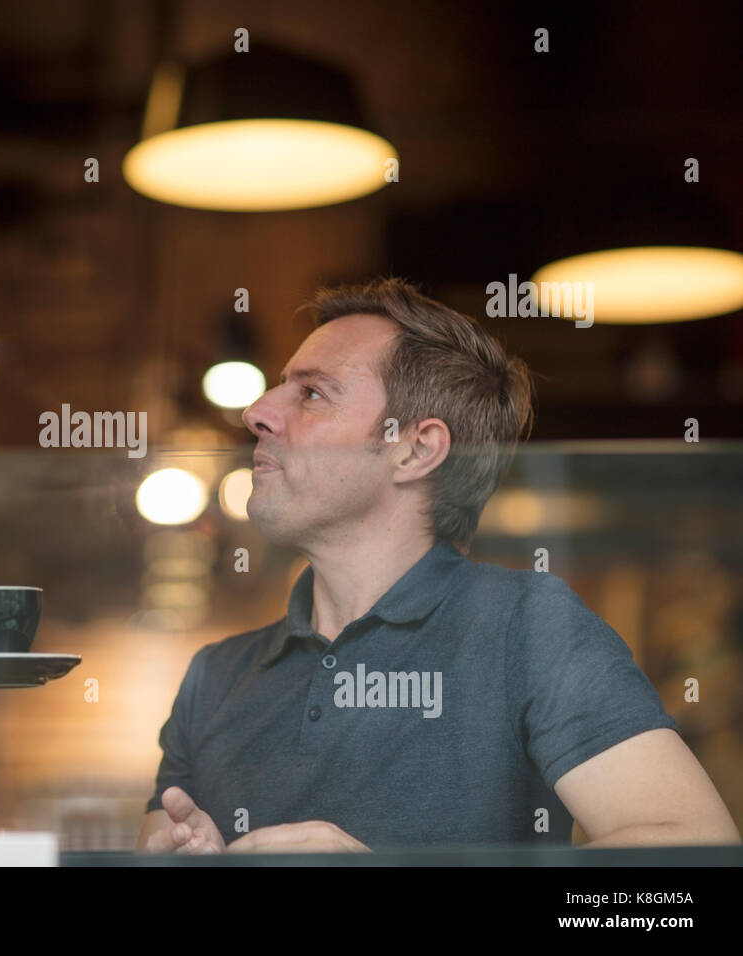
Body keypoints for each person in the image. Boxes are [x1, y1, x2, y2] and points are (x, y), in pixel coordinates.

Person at [137, 277, 740, 854]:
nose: (257, 412)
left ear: (417, 449)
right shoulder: (212, 678)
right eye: (278, 387)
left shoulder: (529, 628)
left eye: (312, 393)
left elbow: (692, 871)